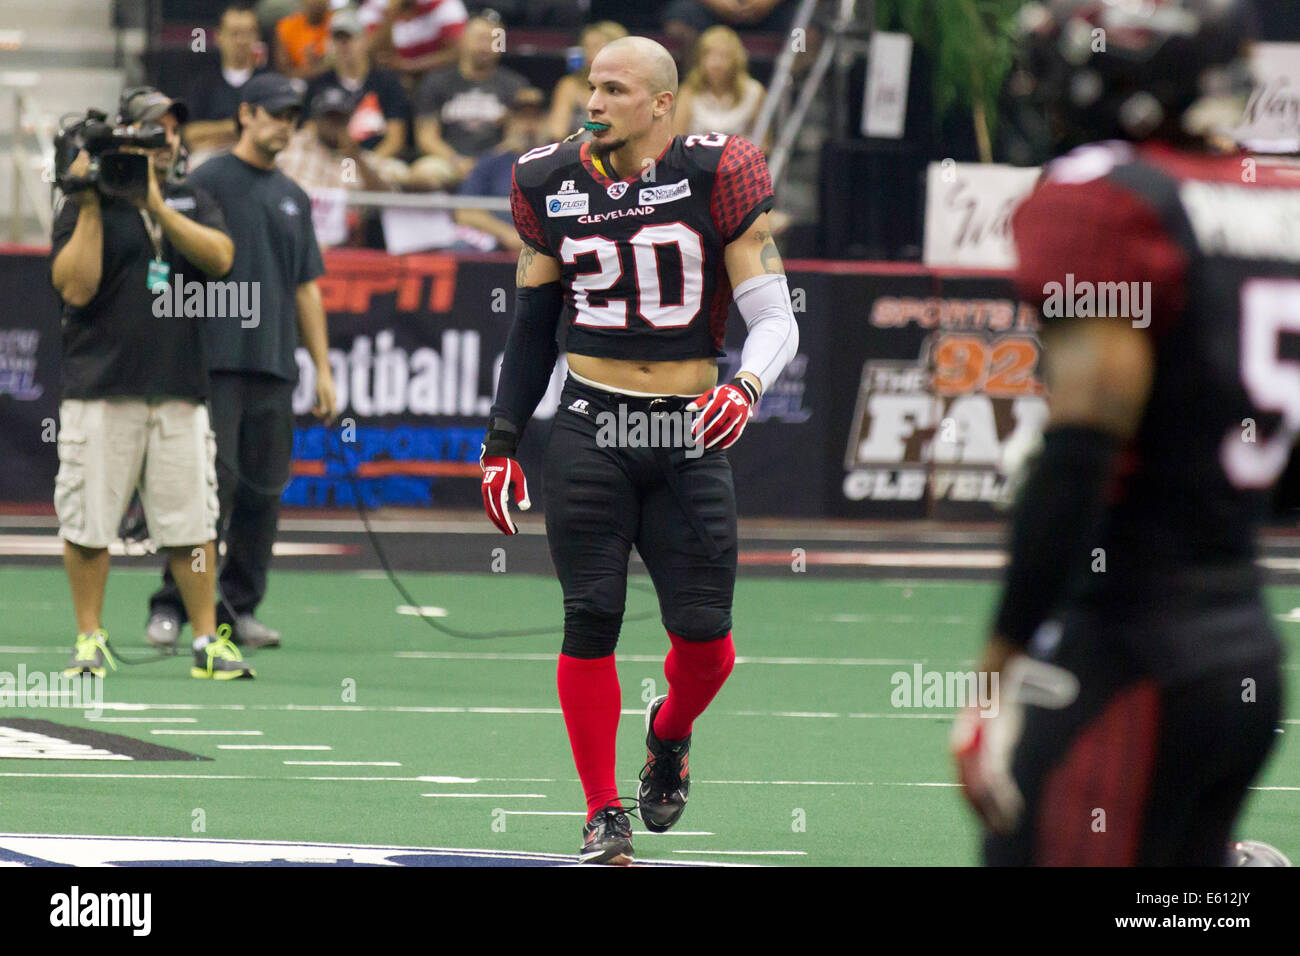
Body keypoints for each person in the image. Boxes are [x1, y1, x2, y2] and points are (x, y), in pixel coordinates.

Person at [952, 0, 1295, 866]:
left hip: (1131, 658)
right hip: (1241, 642)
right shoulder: (1271, 200)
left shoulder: (1107, 199)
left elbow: (1081, 457)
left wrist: (997, 672)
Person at [483, 35, 798, 864]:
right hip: (591, 422)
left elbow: (775, 316)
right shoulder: (548, 182)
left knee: (708, 643)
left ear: (662, 103)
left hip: (685, 428)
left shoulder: (714, 172)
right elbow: (531, 327)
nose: (594, 103)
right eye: (592, 87)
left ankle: (669, 733)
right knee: (590, 616)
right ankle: (601, 813)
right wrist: (503, 440)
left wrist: (745, 387)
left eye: (615, 90)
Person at [50, 87, 249, 680]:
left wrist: (158, 206)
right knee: (88, 520)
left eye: (170, 130)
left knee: (192, 523)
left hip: (178, 389)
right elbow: (75, 288)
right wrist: (89, 200)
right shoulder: (88, 202)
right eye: (151, 130)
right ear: (126, 135)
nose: (164, 140)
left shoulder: (193, 197)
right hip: (102, 387)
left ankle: (206, 640)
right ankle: (90, 637)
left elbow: (221, 261)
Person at [145, 73, 338, 652]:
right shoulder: (207, 180)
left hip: (274, 366)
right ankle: (172, 605)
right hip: (214, 363)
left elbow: (307, 288)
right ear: (246, 114)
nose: (286, 125)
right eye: (276, 113)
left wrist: (323, 369)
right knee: (208, 492)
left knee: (263, 493)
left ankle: (238, 609)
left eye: (292, 116)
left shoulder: (293, 196)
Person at [412, 14, 527, 189]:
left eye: (494, 40)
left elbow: (516, 139)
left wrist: (485, 164)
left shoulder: (515, 85)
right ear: (463, 39)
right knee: (423, 172)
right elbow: (427, 137)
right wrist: (457, 161)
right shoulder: (436, 82)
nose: (486, 47)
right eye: (480, 38)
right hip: (449, 160)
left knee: (522, 174)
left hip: (497, 163)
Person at [305, 5, 411, 161]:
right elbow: (309, 132)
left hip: (378, 160)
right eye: (338, 38)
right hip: (331, 161)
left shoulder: (386, 81)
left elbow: (395, 139)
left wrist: (367, 166)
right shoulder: (320, 84)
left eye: (349, 38)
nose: (343, 44)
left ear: (364, 39)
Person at [454, 86, 546, 251]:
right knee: (460, 246)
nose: (529, 126)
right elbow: (464, 212)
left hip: (545, 244)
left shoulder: (556, 162)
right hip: (498, 241)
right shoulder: (491, 162)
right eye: (522, 118)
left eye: (535, 118)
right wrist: (506, 234)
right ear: (509, 121)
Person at [184, 4, 270, 159]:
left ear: (257, 37)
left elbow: (273, 132)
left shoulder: (268, 83)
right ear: (219, 36)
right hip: (211, 159)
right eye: (234, 33)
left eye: (248, 33)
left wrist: (214, 132)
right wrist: (236, 126)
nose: (241, 41)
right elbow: (190, 133)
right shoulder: (204, 83)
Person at [674, 25, 765, 140]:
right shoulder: (688, 91)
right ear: (700, 59)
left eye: (724, 56)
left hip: (740, 156)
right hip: (696, 156)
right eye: (709, 54)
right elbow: (676, 140)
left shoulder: (755, 92)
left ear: (736, 60)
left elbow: (764, 144)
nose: (716, 63)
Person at [544, 20, 627, 145]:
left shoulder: (630, 86)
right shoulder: (570, 84)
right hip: (578, 155)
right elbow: (556, 132)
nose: (588, 52)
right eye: (586, 46)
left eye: (596, 46)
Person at [361, 0, 467, 90]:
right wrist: (391, 14)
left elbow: (457, 51)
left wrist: (411, 66)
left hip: (436, 77)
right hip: (391, 81)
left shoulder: (443, 3)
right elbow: (372, 52)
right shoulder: (374, 6)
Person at [273, 0, 334, 80]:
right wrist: (319, 67)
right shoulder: (286, 27)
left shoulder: (337, 22)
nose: (317, 1)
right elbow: (283, 72)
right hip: (299, 83)